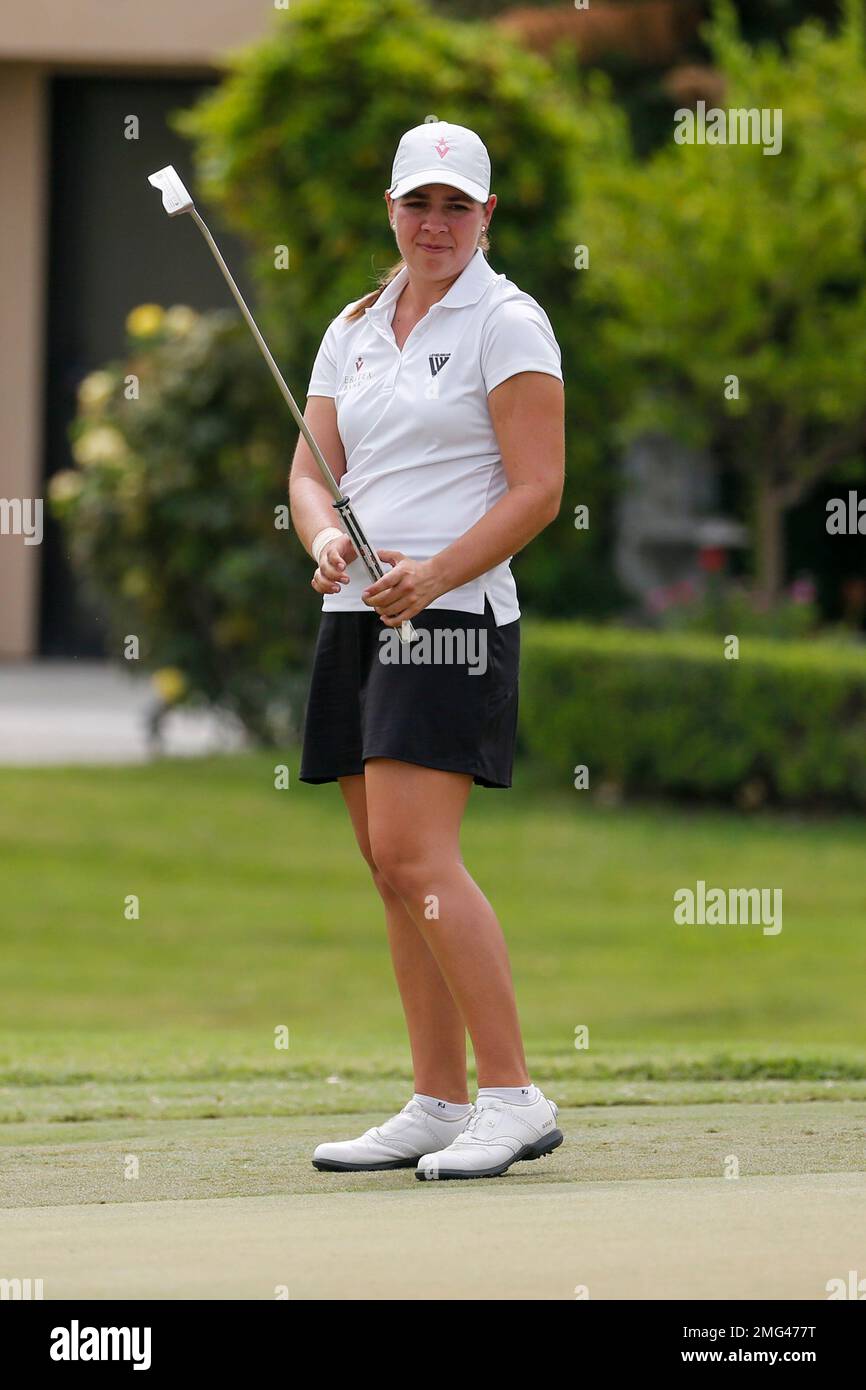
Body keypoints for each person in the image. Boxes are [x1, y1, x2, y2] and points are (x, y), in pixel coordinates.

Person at [289, 121, 565, 1180]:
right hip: (355, 616)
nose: (435, 223)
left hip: (448, 619)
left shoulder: (508, 323)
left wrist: (436, 575)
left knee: (417, 855)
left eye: (457, 206)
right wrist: (322, 534)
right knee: (387, 868)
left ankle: (511, 1094)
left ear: (486, 216)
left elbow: (538, 489)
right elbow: (312, 467)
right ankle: (438, 1097)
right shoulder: (353, 325)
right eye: (419, 203)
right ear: (392, 210)